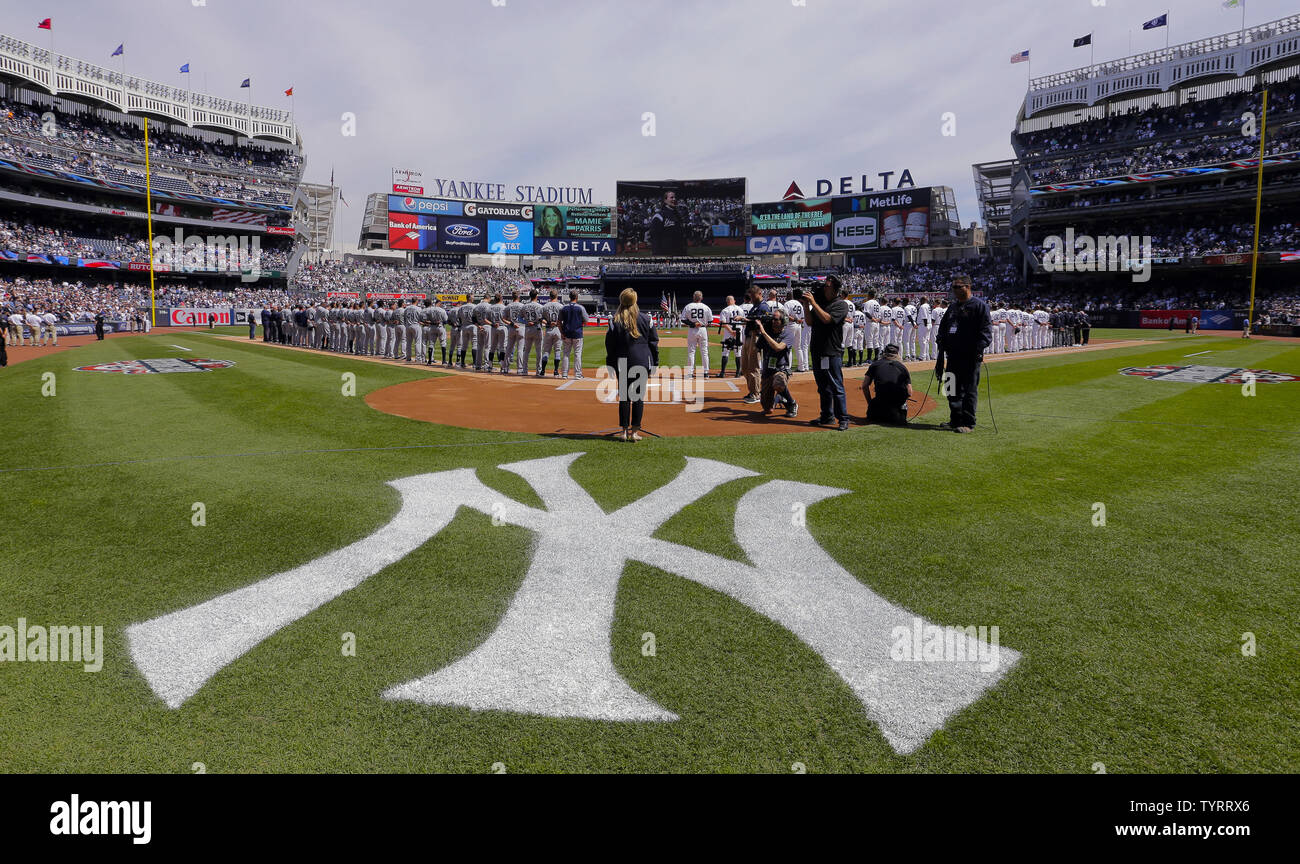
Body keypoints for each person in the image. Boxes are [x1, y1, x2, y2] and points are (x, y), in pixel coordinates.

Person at [934, 275, 992, 434]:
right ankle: (955, 420)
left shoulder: (979, 306)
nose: (954, 290)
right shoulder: (952, 307)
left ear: (968, 287)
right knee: (951, 388)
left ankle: (968, 423)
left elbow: (986, 333)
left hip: (969, 357)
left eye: (958, 287)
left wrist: (977, 350)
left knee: (968, 390)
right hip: (952, 356)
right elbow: (944, 328)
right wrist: (941, 341)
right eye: (953, 287)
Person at [604, 288, 658, 442]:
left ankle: (623, 432)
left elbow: (610, 345)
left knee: (624, 398)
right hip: (641, 360)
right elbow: (653, 343)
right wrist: (655, 363)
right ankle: (634, 432)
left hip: (622, 362)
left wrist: (610, 363)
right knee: (638, 397)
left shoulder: (614, 320)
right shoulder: (647, 319)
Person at [799, 275, 850, 431]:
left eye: (827, 285)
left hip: (831, 350)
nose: (823, 287)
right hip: (817, 349)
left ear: (834, 289)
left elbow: (828, 319)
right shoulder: (820, 302)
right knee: (822, 386)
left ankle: (843, 419)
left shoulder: (841, 304)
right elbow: (810, 322)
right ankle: (827, 416)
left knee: (836, 385)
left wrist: (814, 303)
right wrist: (807, 306)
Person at [755, 306, 797, 418]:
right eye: (773, 319)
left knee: (778, 382)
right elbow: (757, 348)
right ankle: (778, 397)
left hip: (781, 369)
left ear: (783, 322)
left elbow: (778, 347)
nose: (773, 321)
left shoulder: (787, 334)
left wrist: (763, 333)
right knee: (767, 409)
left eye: (776, 319)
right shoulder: (767, 332)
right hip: (768, 371)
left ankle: (791, 403)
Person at [736, 284, 770, 404]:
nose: (752, 297)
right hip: (748, 336)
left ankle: (756, 394)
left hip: (756, 337)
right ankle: (752, 391)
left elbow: (762, 321)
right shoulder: (755, 306)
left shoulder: (764, 306)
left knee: (753, 366)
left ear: (759, 294)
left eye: (753, 295)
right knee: (744, 367)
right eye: (751, 295)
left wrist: (745, 319)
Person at [863, 343, 912, 425]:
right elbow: (910, 392)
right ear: (897, 355)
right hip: (896, 408)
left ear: (884, 353)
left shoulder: (875, 365)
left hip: (879, 406)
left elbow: (864, 386)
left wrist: (870, 403)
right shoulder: (902, 367)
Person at [681, 291, 712, 379]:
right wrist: (703, 323)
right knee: (704, 352)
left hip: (692, 330)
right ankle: (706, 373)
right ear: (701, 298)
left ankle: (690, 373)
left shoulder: (688, 306)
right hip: (703, 330)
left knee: (691, 352)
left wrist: (693, 324)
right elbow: (710, 321)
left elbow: (683, 319)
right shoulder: (706, 307)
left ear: (694, 297)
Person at [560, 289, 588, 379]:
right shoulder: (580, 307)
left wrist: (561, 332)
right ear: (577, 297)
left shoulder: (563, 307)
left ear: (569, 297)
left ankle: (564, 374)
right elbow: (586, 320)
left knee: (566, 354)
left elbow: (558, 322)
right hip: (577, 333)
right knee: (577, 354)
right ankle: (578, 374)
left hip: (566, 333)